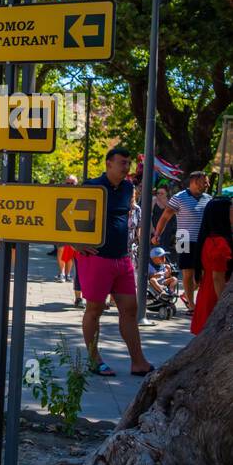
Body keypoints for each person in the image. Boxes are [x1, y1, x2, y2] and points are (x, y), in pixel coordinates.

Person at [78, 147, 151, 377]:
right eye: (122, 162)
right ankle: (94, 359)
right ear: (108, 164)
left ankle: (138, 362)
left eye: (128, 163)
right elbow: (66, 215)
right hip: (96, 258)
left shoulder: (128, 187)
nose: (126, 167)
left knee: (130, 309)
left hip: (122, 258)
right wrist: (74, 244)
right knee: (95, 309)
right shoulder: (92, 186)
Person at [152, 171, 210, 308]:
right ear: (195, 181)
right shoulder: (179, 198)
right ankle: (191, 304)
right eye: (204, 181)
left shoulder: (208, 198)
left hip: (203, 240)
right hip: (184, 237)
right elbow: (165, 217)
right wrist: (157, 234)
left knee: (202, 275)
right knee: (188, 273)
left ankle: (186, 295)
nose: (207, 184)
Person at [191, 196, 233, 335]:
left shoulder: (209, 239)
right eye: (232, 209)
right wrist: (224, 307)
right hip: (214, 299)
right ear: (223, 215)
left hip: (206, 296)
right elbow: (218, 278)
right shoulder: (220, 243)